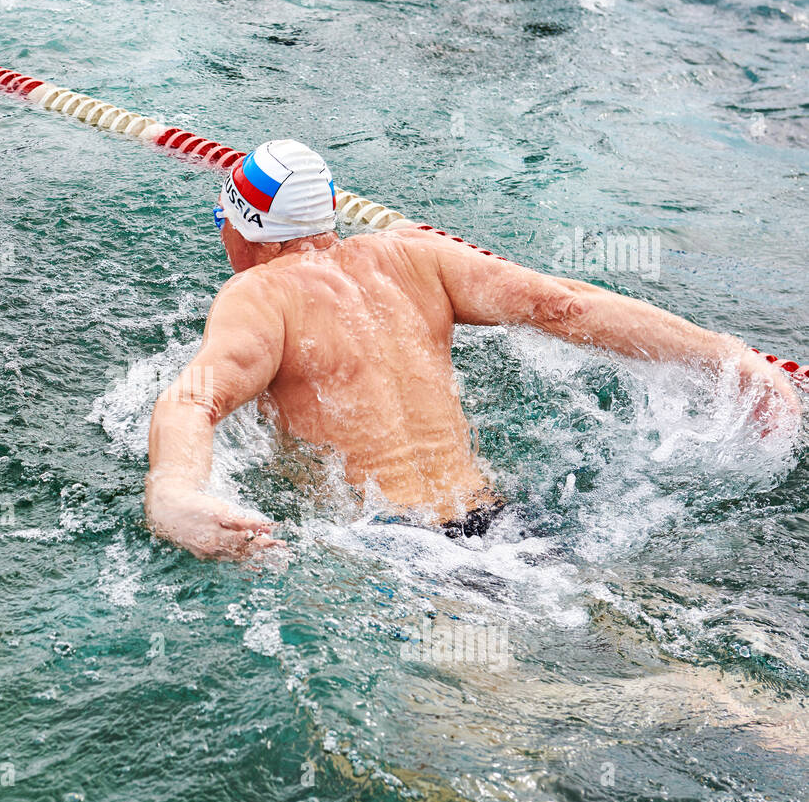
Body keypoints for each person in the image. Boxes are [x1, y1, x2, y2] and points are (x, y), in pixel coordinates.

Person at [144, 139, 802, 561]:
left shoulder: (258, 293)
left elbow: (193, 401)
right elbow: (564, 305)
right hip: (510, 525)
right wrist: (729, 358)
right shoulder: (415, 257)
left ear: (251, 233)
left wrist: (173, 495)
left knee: (488, 753)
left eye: (223, 224)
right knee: (642, 659)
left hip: (400, 550)